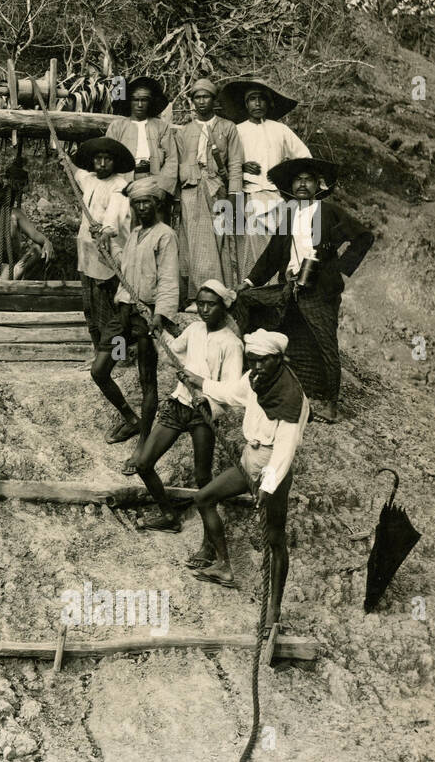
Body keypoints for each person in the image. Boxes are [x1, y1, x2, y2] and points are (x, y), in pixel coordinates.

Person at [178, 329, 309, 628]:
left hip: (272, 466)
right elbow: (231, 393)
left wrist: (268, 485)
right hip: (249, 459)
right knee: (204, 498)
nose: (257, 366)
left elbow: (286, 450)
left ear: (278, 359)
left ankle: (273, 610)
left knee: (275, 541)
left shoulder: (292, 396)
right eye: (253, 360)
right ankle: (224, 566)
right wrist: (200, 383)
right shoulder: (255, 380)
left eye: (263, 361)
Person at [238, 157, 373, 423]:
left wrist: (340, 268)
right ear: (291, 186)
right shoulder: (288, 212)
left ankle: (331, 405)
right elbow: (273, 253)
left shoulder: (329, 211)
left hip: (320, 292)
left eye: (308, 179)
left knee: (325, 344)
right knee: (247, 302)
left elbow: (364, 237)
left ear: (317, 185)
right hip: (290, 288)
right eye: (297, 180)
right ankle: (260, 383)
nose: (302, 184)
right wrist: (250, 282)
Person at [133, 280, 244, 536]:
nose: (205, 310)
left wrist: (208, 400)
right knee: (143, 464)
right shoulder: (194, 330)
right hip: (179, 403)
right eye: (201, 304)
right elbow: (175, 349)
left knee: (203, 479)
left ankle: (210, 541)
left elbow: (232, 390)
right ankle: (169, 515)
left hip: (204, 412)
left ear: (223, 307)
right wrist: (158, 328)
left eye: (211, 305)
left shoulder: (231, 344)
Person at [94, 177, 180, 475]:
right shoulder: (136, 234)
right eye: (137, 203)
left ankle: (143, 441)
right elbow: (125, 265)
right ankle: (131, 418)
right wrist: (105, 243)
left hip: (147, 313)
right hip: (125, 313)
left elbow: (169, 278)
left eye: (147, 202)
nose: (142, 207)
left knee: (147, 380)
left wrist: (160, 315)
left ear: (157, 204)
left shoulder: (164, 235)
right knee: (100, 369)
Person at [220, 77, 310, 283]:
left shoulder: (281, 130)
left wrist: (285, 174)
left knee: (279, 245)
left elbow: (304, 157)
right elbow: (222, 165)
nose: (257, 104)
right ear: (246, 104)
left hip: (277, 197)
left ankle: (279, 293)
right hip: (249, 196)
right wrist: (241, 167)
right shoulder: (237, 131)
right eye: (252, 99)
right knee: (252, 248)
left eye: (262, 99)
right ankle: (253, 292)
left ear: (269, 103)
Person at [175, 79, 243, 301]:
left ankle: (220, 292)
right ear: (192, 101)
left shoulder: (227, 127)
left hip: (217, 187)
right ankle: (198, 294)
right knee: (194, 241)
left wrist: (233, 195)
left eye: (206, 97)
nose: (201, 101)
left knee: (220, 238)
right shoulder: (184, 131)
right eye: (197, 97)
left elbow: (234, 163)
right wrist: (176, 196)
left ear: (214, 100)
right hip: (191, 188)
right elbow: (177, 164)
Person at [71, 136, 133, 364]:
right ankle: (98, 353)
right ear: (93, 161)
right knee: (90, 307)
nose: (103, 164)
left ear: (115, 162)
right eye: (99, 159)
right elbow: (76, 171)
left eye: (108, 159)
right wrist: (62, 155)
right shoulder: (89, 180)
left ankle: (118, 355)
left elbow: (114, 213)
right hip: (87, 251)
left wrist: (106, 231)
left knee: (109, 306)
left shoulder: (120, 186)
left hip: (108, 251)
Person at [105, 77, 179, 203]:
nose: (140, 105)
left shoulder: (161, 127)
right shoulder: (117, 126)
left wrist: (163, 187)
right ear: (130, 101)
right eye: (136, 100)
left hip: (154, 181)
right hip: (124, 181)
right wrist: (116, 184)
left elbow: (171, 159)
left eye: (144, 100)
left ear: (150, 102)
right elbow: (108, 156)